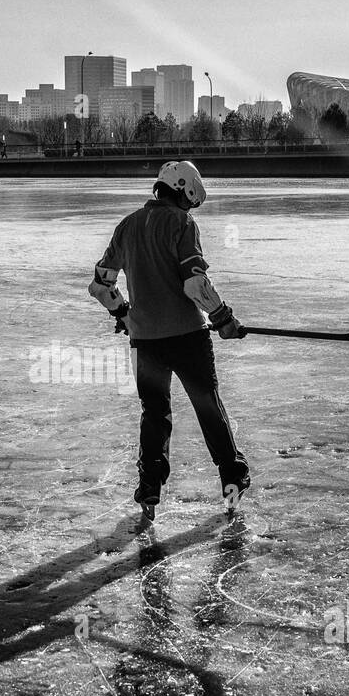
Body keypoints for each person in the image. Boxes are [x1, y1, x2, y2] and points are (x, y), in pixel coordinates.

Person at [89, 160, 250, 519]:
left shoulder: (127, 226)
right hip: (187, 339)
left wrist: (124, 315)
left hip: (145, 342)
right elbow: (195, 284)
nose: (190, 209)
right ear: (185, 193)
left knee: (155, 414)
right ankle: (232, 481)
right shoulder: (182, 224)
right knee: (207, 406)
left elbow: (100, 286)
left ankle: (149, 489)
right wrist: (224, 319)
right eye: (191, 202)